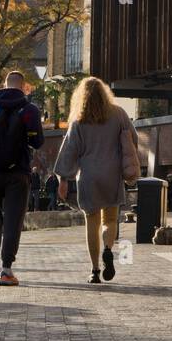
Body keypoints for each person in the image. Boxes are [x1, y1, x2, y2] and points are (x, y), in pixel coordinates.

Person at [53, 77, 140, 285]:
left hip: (88, 176)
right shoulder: (118, 113)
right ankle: (108, 249)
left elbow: (69, 151)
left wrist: (63, 179)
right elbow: (134, 139)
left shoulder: (78, 119)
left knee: (91, 222)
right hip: (112, 174)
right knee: (110, 220)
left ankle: (94, 270)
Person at [0, 70, 46, 287]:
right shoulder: (30, 110)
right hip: (19, 173)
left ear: (4, 85)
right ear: (23, 87)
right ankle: (7, 270)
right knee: (13, 220)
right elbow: (38, 142)